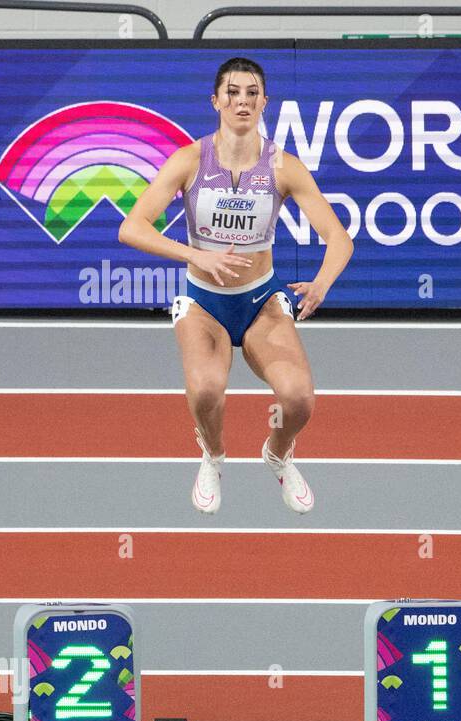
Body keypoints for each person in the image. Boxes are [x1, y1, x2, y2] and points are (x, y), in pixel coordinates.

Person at [119, 56, 353, 515]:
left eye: (251, 92)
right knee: (207, 390)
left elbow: (338, 238)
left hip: (262, 300)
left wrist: (323, 283)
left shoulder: (284, 167)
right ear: (216, 101)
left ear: (265, 101)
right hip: (204, 302)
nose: (241, 100)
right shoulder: (189, 160)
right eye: (232, 92)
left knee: (299, 399)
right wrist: (196, 254)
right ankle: (213, 452)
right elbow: (133, 227)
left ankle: (278, 452)